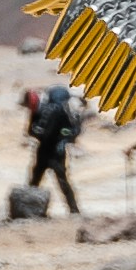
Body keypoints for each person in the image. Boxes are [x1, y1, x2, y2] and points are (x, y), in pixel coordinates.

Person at [24, 78, 85, 214]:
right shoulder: (62, 112)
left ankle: (28, 208)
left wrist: (62, 137)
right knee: (61, 181)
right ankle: (73, 210)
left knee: (37, 180)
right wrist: (65, 139)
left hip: (48, 151)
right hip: (54, 152)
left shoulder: (50, 110)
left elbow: (31, 131)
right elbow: (73, 130)